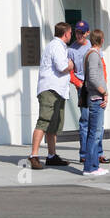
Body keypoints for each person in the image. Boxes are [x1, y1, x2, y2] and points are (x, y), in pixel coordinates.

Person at [29, 22, 74, 169]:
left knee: (53, 125)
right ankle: (34, 155)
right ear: (66, 33)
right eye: (70, 33)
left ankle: (51, 155)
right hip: (50, 90)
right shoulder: (56, 46)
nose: (71, 35)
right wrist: (71, 64)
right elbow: (62, 67)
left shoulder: (59, 46)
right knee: (44, 121)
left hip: (58, 90)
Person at [81, 29, 109, 176]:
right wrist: (103, 92)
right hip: (95, 98)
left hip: (96, 98)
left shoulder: (92, 54)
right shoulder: (93, 55)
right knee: (94, 133)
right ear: (101, 40)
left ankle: (94, 165)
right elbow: (92, 77)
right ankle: (90, 168)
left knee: (96, 133)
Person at [68, 22, 92, 161]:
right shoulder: (71, 49)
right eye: (77, 32)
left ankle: (98, 153)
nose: (79, 35)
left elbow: (101, 66)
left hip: (94, 87)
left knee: (96, 121)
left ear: (87, 33)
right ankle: (83, 154)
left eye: (82, 32)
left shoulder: (91, 46)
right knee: (85, 120)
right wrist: (78, 83)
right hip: (82, 88)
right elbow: (70, 72)